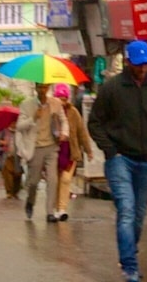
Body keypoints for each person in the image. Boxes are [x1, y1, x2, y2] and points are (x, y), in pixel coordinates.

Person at [90, 41, 147, 282]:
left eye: (146, 64)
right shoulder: (112, 88)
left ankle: (129, 252)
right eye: (138, 64)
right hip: (120, 160)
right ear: (128, 62)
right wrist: (111, 151)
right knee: (126, 210)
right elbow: (94, 122)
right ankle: (130, 267)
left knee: (138, 214)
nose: (142, 68)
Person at [15, 83, 70, 221]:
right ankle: (30, 201)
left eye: (45, 87)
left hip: (52, 146)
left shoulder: (56, 103)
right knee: (33, 182)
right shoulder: (26, 104)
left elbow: (64, 120)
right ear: (36, 88)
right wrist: (33, 118)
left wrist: (64, 133)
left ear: (48, 88)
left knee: (52, 179)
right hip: (36, 147)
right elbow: (19, 126)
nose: (42, 90)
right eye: (40, 87)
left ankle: (50, 212)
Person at [53, 85, 91, 221]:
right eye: (59, 98)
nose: (62, 102)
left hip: (70, 152)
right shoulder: (51, 111)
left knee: (66, 179)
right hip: (54, 152)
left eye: (64, 99)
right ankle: (56, 207)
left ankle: (62, 209)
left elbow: (81, 132)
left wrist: (88, 150)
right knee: (56, 181)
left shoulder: (73, 112)